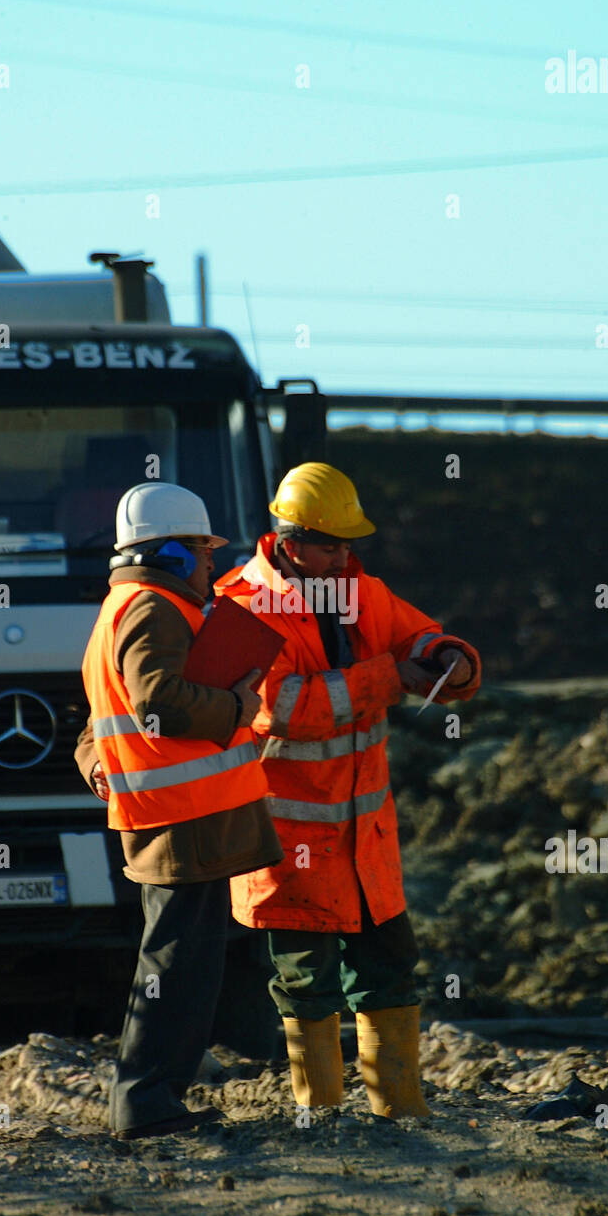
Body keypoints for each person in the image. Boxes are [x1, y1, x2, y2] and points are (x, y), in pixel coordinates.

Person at [212, 462, 481, 1119]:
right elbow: (284, 707)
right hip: (290, 845)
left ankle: (400, 1115)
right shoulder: (242, 604)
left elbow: (421, 634)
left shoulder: (359, 590)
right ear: (292, 540)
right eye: (332, 544)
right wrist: (391, 677)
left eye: (348, 544)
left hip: (366, 843)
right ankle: (322, 1122)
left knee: (389, 970)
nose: (345, 556)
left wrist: (452, 658)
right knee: (306, 986)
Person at [75, 481, 282, 1139]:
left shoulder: (120, 610)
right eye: (201, 550)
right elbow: (158, 704)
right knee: (176, 964)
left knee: (181, 958)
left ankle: (154, 1097)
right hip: (183, 820)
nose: (211, 565)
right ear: (169, 553)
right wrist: (240, 710)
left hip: (176, 817)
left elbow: (94, 731)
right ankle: (146, 1102)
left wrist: (106, 770)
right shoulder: (155, 607)